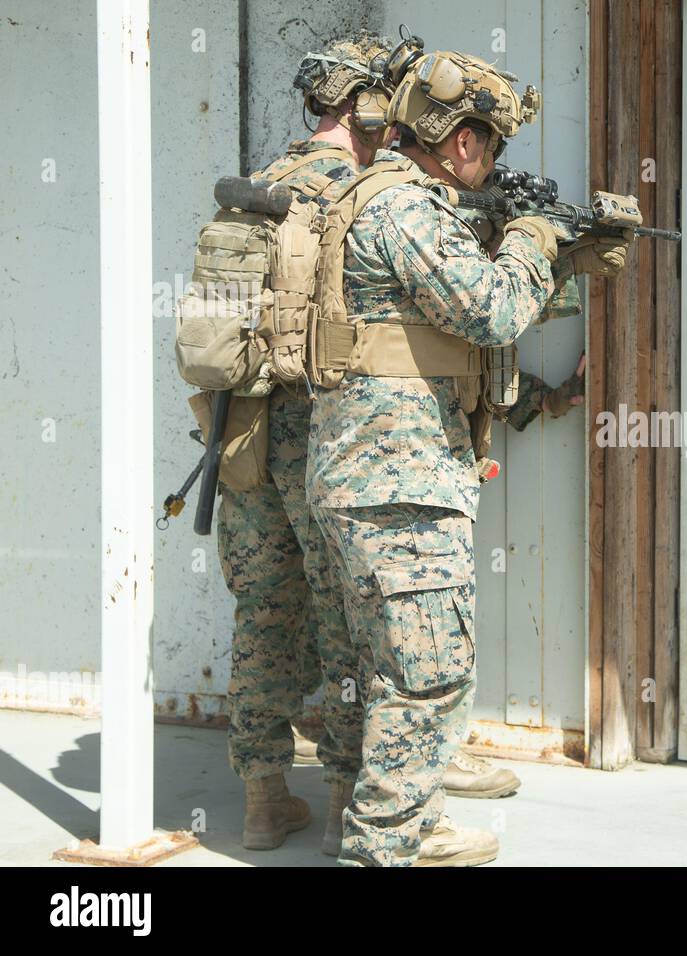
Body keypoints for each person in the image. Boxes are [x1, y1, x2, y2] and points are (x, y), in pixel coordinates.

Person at [306, 48, 631, 866]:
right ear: (461, 142)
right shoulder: (405, 210)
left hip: (374, 477)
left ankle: (405, 827)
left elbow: (444, 318)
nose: (492, 162)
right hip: (398, 482)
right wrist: (532, 240)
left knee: (386, 673)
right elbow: (488, 310)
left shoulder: (386, 199)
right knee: (426, 679)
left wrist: (559, 254)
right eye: (491, 142)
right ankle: (378, 850)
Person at [215, 31, 392, 852]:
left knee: (262, 612)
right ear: (367, 103)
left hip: (244, 432)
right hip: (328, 431)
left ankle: (261, 799)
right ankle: (341, 809)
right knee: (343, 620)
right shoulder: (365, 194)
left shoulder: (254, 189)